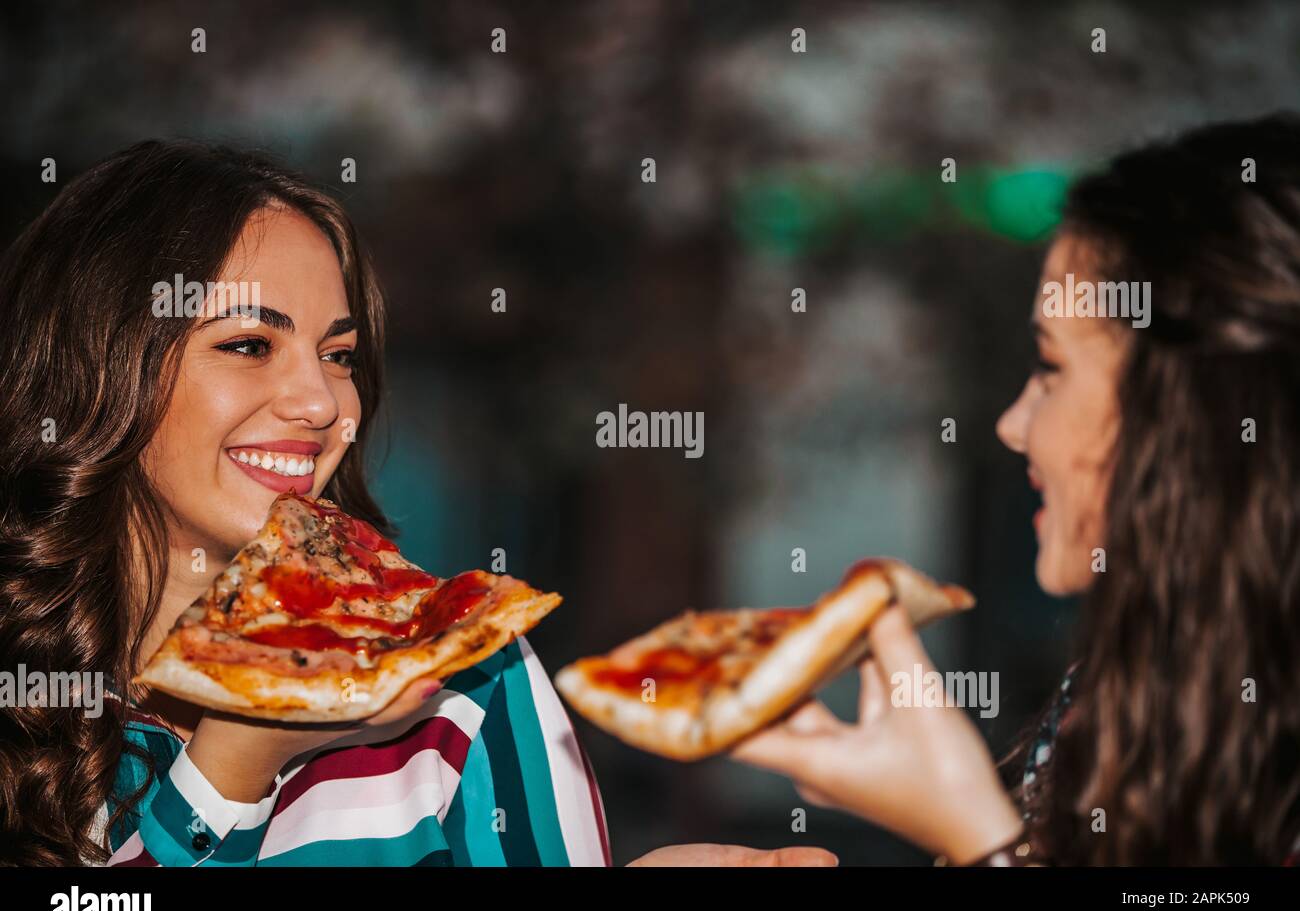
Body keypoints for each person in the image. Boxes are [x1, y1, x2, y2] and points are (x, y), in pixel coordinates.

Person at [0, 140, 834, 867]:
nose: (322, 403)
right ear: (97, 370)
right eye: (250, 345)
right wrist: (231, 767)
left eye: (338, 354)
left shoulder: (466, 672)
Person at [733, 113, 1300, 866]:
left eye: (1052, 369)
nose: (1012, 424)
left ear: (1186, 417)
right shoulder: (1134, 685)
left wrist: (971, 833)